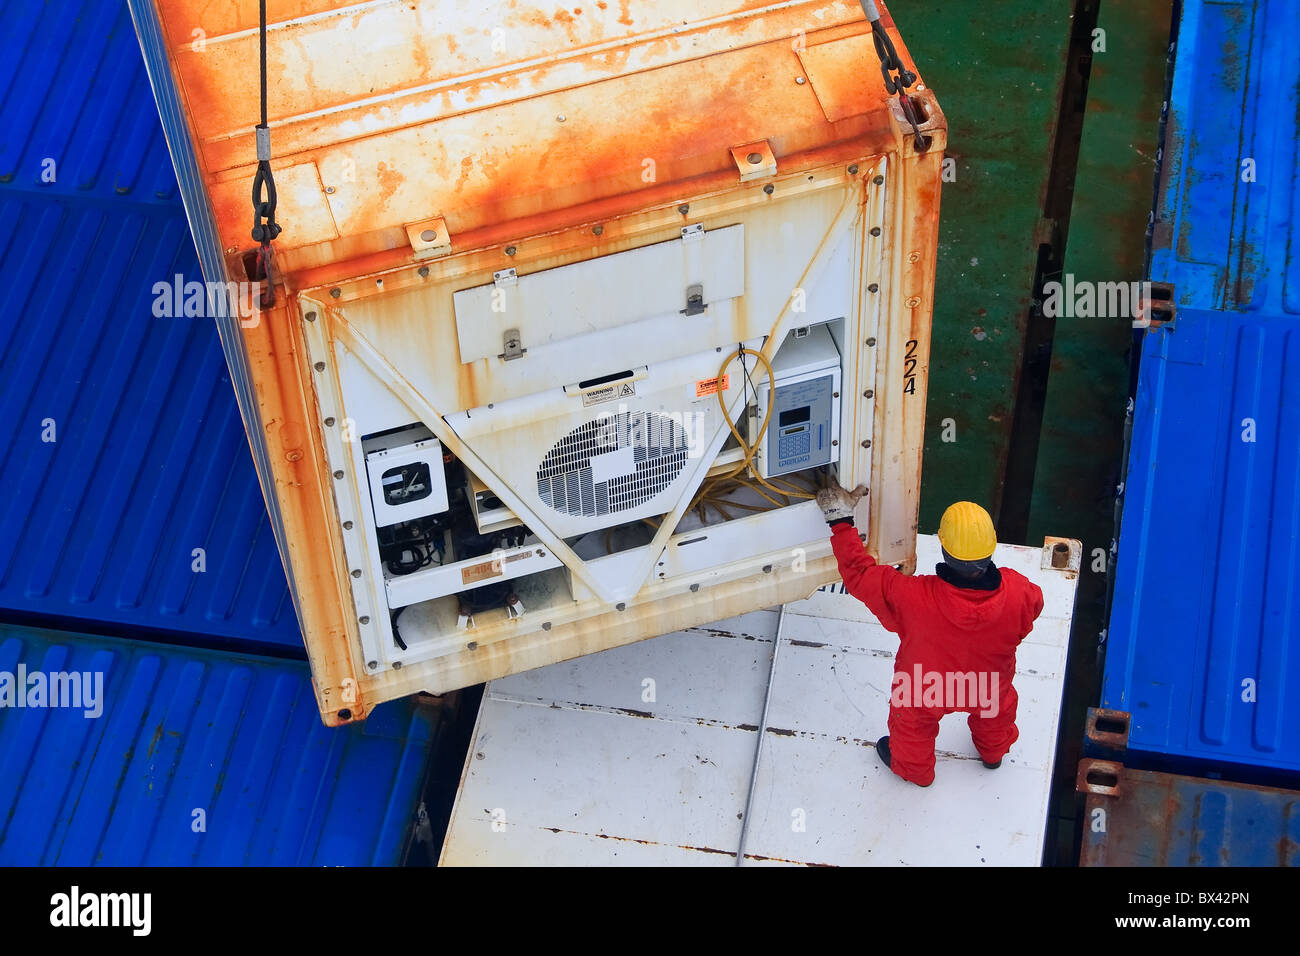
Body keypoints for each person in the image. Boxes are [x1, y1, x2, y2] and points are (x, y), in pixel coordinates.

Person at [814, 483, 1045, 787]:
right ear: (991, 546)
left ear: (944, 548)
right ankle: (993, 753)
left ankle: (915, 772)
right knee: (995, 714)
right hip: (987, 684)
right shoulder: (1021, 592)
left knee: (912, 727)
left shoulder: (910, 596)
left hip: (926, 688)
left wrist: (840, 521)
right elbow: (1029, 615)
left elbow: (858, 575)